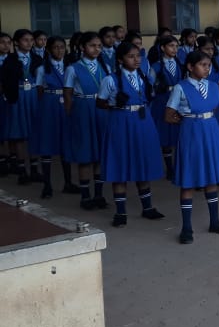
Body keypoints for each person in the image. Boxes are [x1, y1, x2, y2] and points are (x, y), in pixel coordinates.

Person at [165, 50, 219, 244]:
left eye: (209, 65)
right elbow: (168, 114)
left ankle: (215, 221)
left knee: (211, 176)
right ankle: (186, 228)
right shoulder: (181, 87)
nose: (207, 68)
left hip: (210, 130)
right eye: (202, 65)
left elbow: (213, 107)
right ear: (190, 67)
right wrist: (187, 120)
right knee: (189, 179)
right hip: (191, 132)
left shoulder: (212, 86)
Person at [97, 42, 166, 227]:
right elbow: (99, 103)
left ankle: (148, 208)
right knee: (120, 164)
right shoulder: (110, 80)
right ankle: (120, 212)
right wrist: (113, 104)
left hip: (143, 121)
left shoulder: (144, 76)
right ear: (120, 59)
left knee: (141, 162)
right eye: (131, 56)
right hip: (120, 121)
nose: (136, 60)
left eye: (138, 56)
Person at [63, 32, 108, 209]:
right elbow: (67, 94)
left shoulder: (103, 66)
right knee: (85, 154)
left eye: (99, 46)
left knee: (99, 155)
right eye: (92, 45)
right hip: (82, 108)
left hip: (101, 108)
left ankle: (98, 194)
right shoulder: (73, 68)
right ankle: (85, 196)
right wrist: (71, 116)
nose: (96, 49)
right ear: (82, 47)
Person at [31, 36, 71, 199]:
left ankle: (68, 182)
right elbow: (39, 91)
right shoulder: (42, 68)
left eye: (62, 47)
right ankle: (47, 185)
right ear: (48, 50)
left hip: (66, 104)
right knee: (47, 144)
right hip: (49, 105)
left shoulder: (69, 67)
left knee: (65, 143)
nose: (59, 50)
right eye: (55, 47)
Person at [1, 29, 38, 185]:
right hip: (17, 96)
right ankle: (22, 169)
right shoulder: (9, 60)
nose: (29, 43)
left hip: (33, 96)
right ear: (16, 43)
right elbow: (5, 81)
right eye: (25, 40)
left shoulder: (37, 58)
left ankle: (35, 170)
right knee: (19, 133)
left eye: (31, 40)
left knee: (35, 132)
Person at [150, 35, 182, 180]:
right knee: (165, 134)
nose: (175, 49)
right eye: (171, 46)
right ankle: (169, 168)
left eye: (176, 46)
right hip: (162, 100)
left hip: (178, 100)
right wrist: (157, 88)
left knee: (178, 134)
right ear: (163, 48)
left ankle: (179, 166)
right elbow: (149, 86)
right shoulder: (156, 66)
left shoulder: (180, 64)